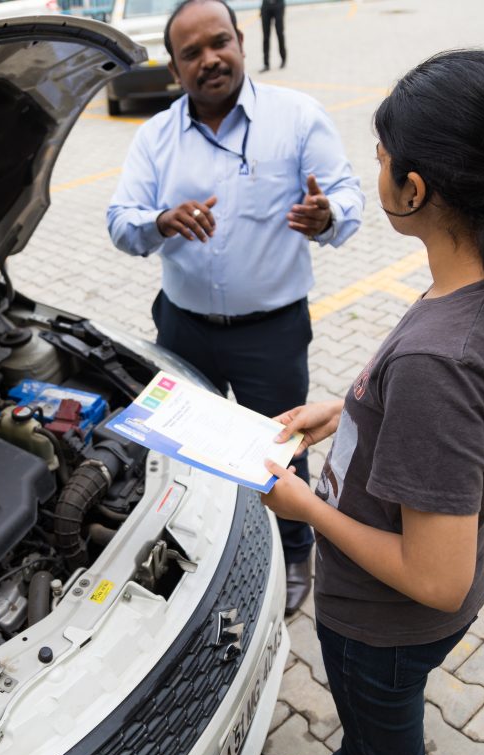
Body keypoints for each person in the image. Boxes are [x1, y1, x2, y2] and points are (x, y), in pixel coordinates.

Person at [259, 49, 484, 755]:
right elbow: (456, 419)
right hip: (418, 603)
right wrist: (350, 411)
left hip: (383, 622)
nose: (377, 171)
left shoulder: (442, 357)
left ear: (414, 189)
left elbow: (435, 578)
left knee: (379, 752)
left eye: (382, 158)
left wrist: (303, 507)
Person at [106, 0, 364, 616]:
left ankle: (295, 551)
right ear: (174, 68)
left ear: (242, 41)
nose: (209, 59)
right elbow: (120, 223)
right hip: (182, 328)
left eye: (218, 42)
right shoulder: (155, 137)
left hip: (270, 333)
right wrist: (160, 221)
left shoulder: (297, 117)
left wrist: (329, 216)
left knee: (278, 455)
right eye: (191, 53)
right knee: (181, 455)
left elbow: (348, 195)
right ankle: (199, 548)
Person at [259, 0, 286, 71]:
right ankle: (266, 63)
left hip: (278, 4)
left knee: (280, 33)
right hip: (266, 5)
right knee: (266, 36)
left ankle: (283, 58)